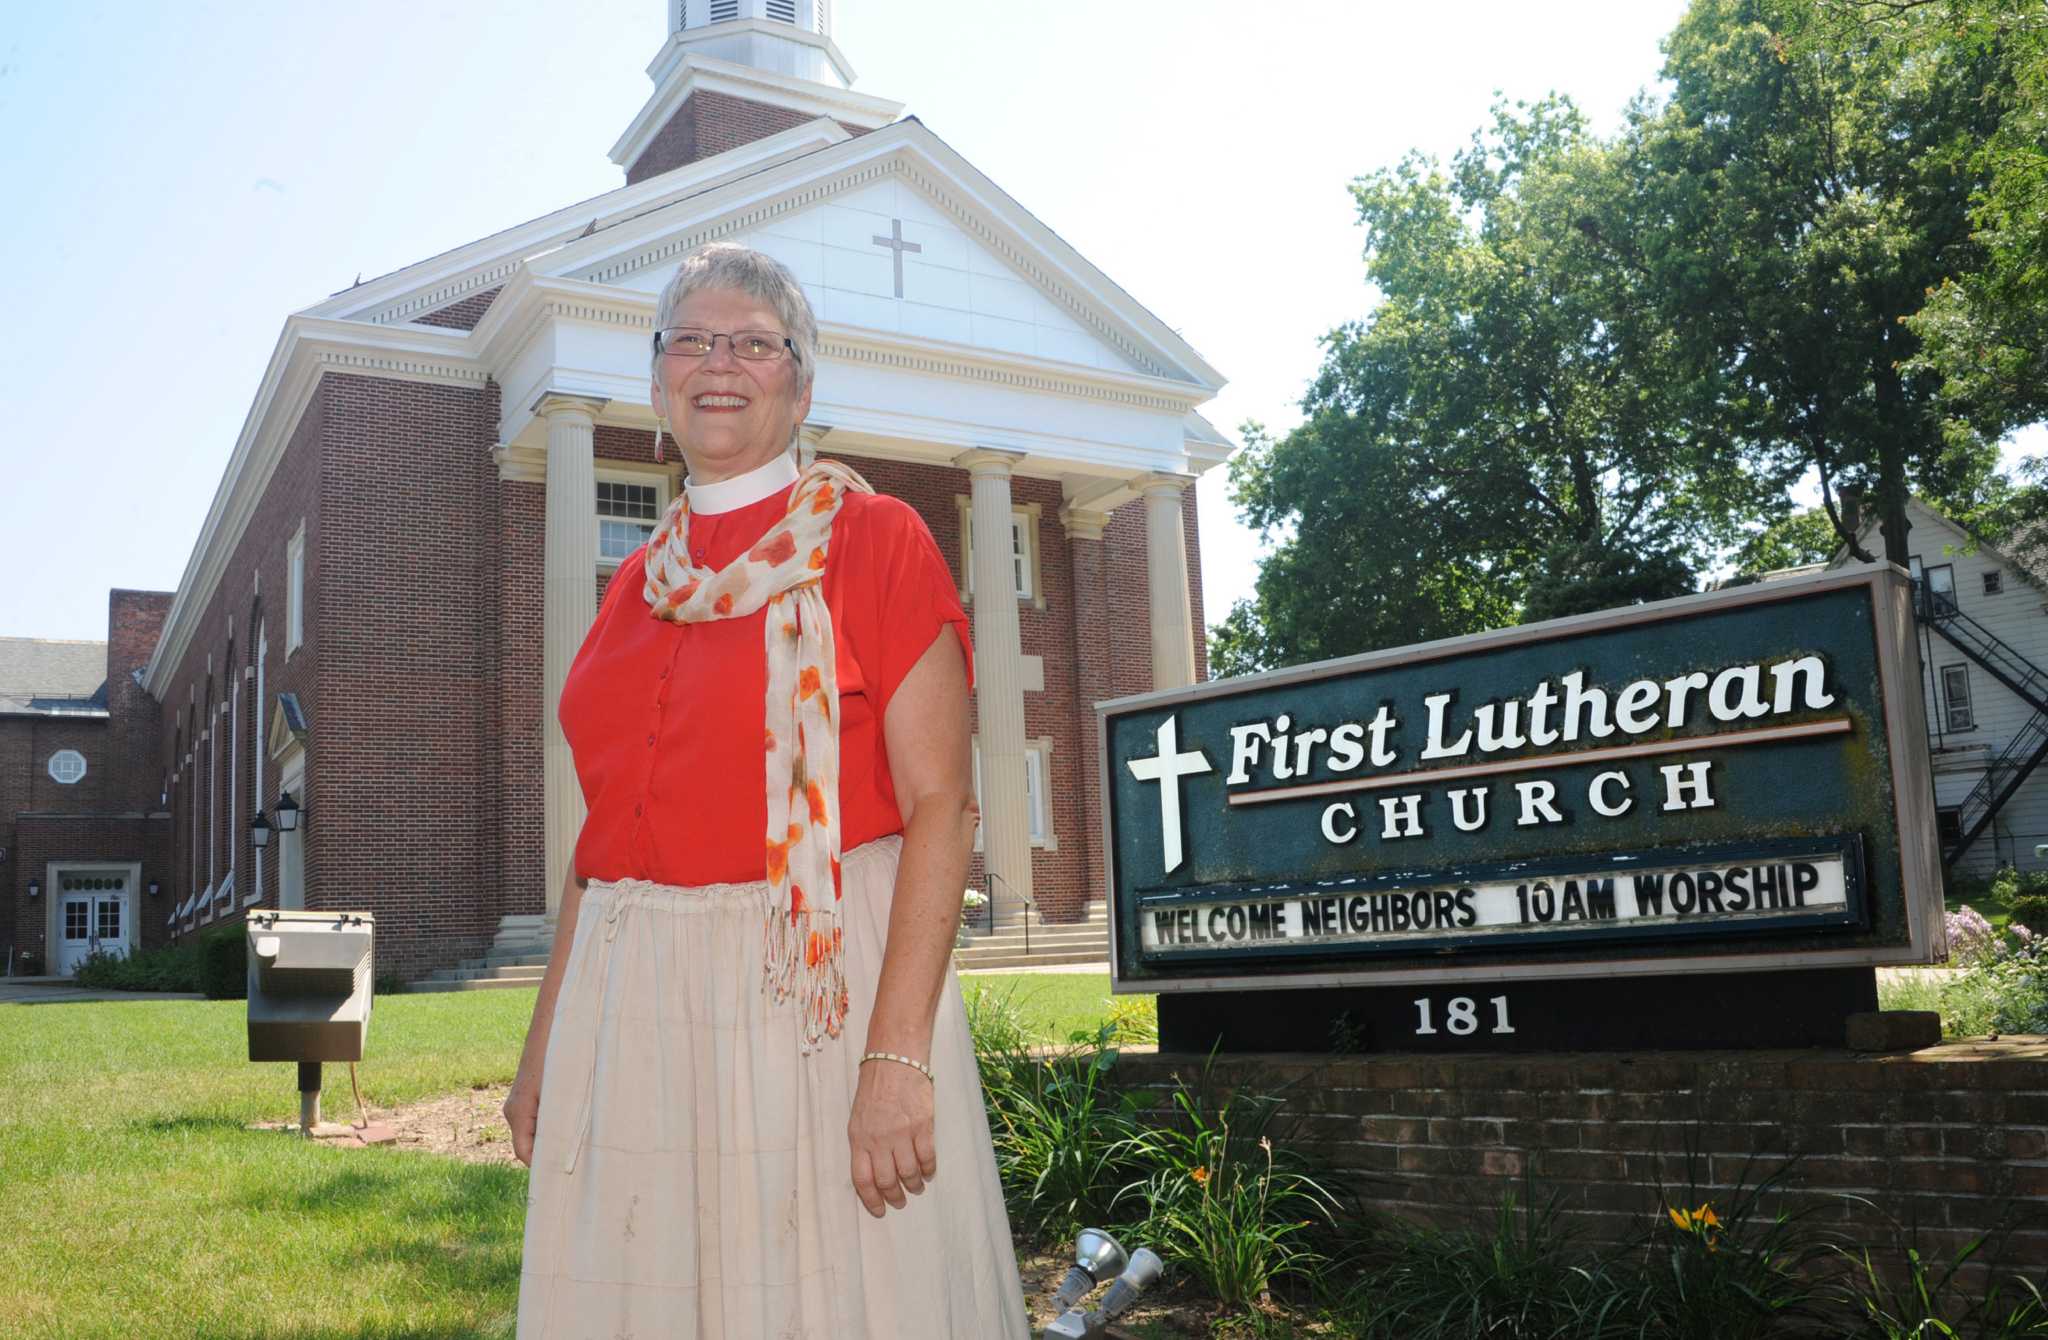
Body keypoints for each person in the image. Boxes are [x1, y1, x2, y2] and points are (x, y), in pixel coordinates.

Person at [504, 241, 1033, 1338]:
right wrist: (544, 1044)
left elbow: (944, 804)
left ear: (801, 379)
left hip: (817, 989)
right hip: (632, 996)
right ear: (655, 382)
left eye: (754, 341)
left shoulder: (877, 541)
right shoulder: (631, 593)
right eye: (690, 338)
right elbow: (596, 846)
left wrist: (895, 1055)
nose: (719, 361)